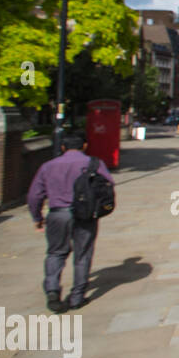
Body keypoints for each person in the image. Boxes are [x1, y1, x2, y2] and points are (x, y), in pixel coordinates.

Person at [28, 132, 115, 312]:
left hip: (57, 214)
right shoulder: (94, 164)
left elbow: (34, 196)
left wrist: (37, 218)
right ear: (84, 146)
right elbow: (108, 185)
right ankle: (77, 297)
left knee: (55, 253)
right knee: (83, 255)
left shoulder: (48, 166)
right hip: (85, 215)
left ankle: (52, 289)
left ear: (62, 147)